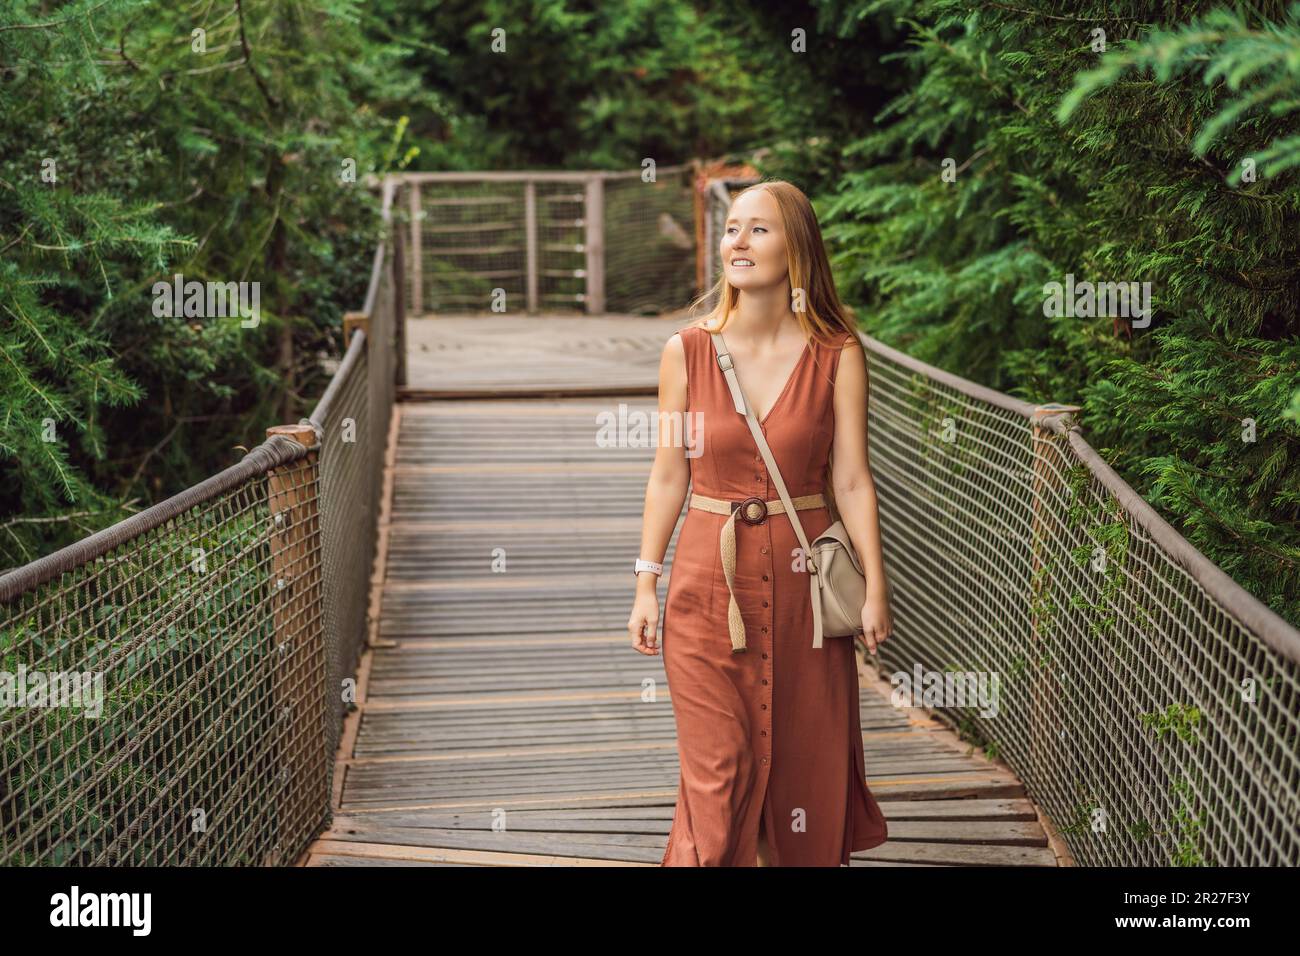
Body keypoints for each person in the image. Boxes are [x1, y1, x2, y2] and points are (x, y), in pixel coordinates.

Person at [628, 178, 892, 867]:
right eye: (731, 228)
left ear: (796, 247)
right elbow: (668, 474)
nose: (737, 241)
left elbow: (852, 478)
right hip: (704, 589)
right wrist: (644, 582)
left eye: (759, 229)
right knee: (720, 770)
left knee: (803, 770)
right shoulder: (684, 353)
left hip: (807, 594)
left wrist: (874, 587)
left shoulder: (838, 354)